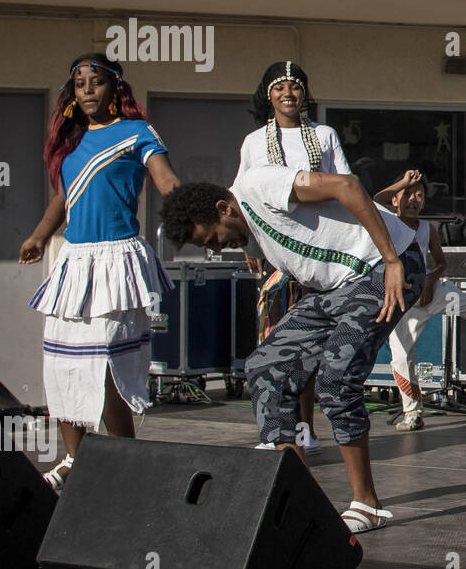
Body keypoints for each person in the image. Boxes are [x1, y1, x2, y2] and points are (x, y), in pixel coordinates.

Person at [159, 168, 424, 533]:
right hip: (336, 290)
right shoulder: (252, 235)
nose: (217, 249)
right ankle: (300, 496)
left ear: (224, 208)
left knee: (336, 378)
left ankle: (368, 504)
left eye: (213, 239)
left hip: (388, 266)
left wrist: (393, 260)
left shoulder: (258, 186)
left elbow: (347, 185)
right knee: (266, 366)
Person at [20, 53, 181, 489]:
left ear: (115, 88)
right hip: (74, 262)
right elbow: (64, 197)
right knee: (63, 366)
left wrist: (193, 207)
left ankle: (126, 457)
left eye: (95, 82)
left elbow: (166, 180)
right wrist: (39, 235)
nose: (87, 89)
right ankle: (75, 458)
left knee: (106, 367)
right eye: (79, 84)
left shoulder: (136, 132)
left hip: (117, 262)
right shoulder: (72, 142)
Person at [237, 60, 350, 454]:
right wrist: (253, 248)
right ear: (268, 95)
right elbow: (245, 198)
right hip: (279, 259)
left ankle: (306, 429)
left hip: (323, 256)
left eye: (296, 87)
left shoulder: (324, 135)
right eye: (280, 87)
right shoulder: (254, 142)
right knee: (276, 346)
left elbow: (343, 188)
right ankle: (278, 432)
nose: (288, 94)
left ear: (305, 94)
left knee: (312, 350)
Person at [372, 169, 466, 431]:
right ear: (395, 200)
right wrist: (403, 182)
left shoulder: (428, 229)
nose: (413, 200)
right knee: (401, 357)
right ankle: (412, 413)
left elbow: (441, 264)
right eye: (407, 194)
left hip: (434, 293)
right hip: (403, 302)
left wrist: (430, 280)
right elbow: (374, 202)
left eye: (419, 195)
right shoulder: (387, 222)